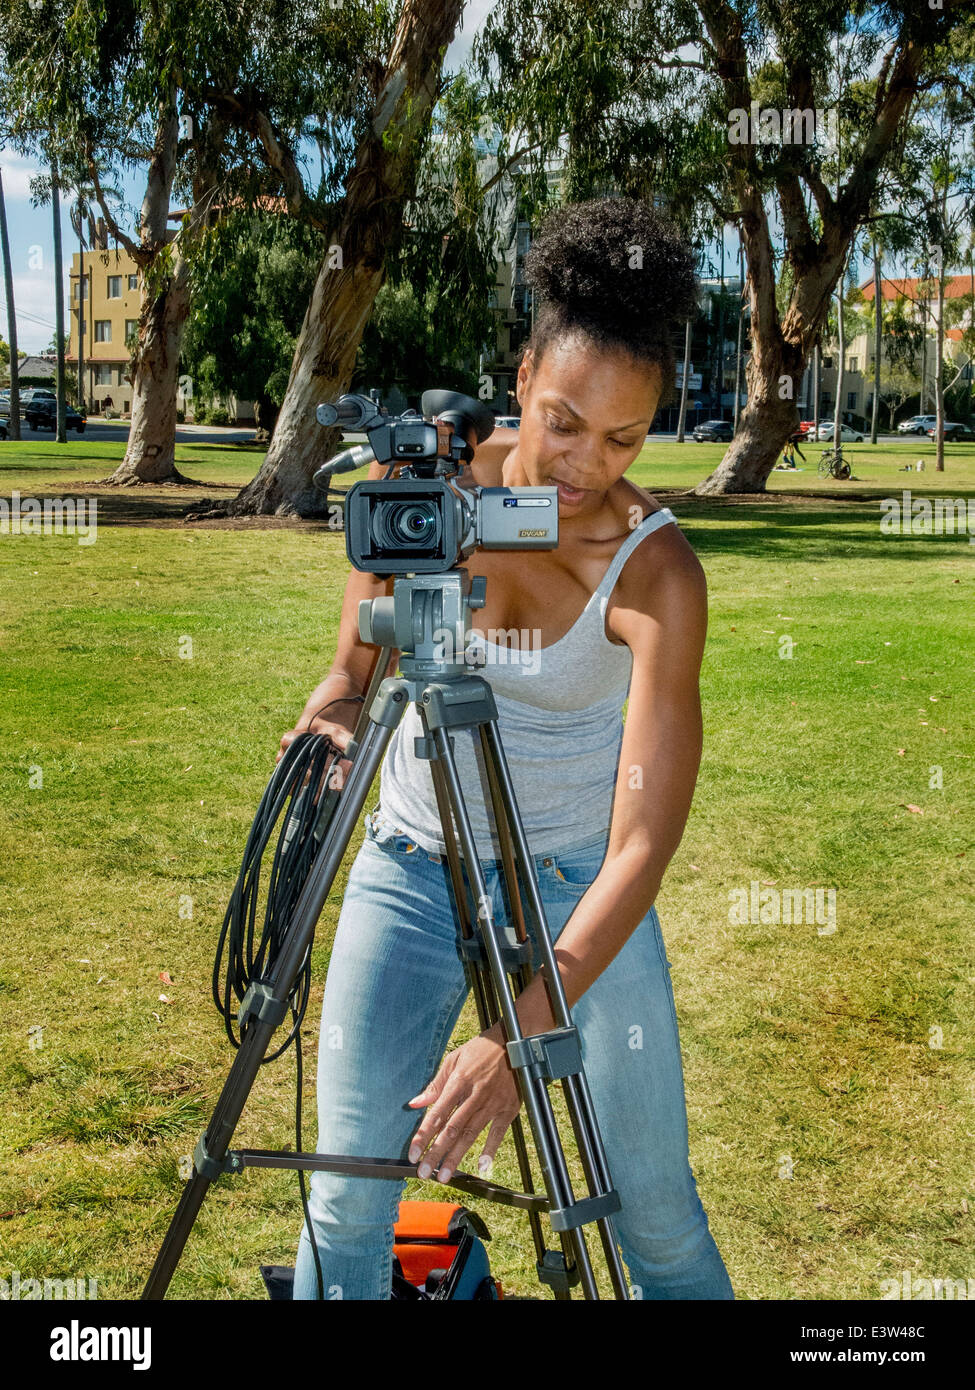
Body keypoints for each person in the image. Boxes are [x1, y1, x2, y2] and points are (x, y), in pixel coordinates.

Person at [280, 197, 734, 1300]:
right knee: (345, 1192)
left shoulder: (656, 570)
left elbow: (641, 846)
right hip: (409, 868)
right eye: (566, 419)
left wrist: (523, 1027)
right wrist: (338, 701)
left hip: (577, 890)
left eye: (626, 437)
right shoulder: (428, 483)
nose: (587, 463)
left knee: (655, 1212)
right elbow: (355, 663)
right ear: (523, 372)